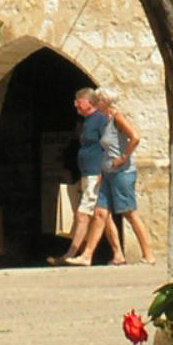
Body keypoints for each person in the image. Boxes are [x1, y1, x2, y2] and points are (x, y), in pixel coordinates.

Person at [59, 87, 117, 265]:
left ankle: (72, 253)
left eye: (79, 101)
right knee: (104, 217)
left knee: (83, 214)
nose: (76, 104)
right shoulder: (87, 121)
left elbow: (106, 146)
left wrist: (101, 171)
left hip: (95, 174)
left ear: (89, 102)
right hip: (88, 174)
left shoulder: (99, 120)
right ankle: (119, 254)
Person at [102, 117, 154, 264]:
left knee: (129, 213)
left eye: (98, 101)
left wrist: (123, 158)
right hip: (108, 173)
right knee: (103, 212)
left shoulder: (117, 118)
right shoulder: (105, 121)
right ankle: (118, 254)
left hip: (122, 173)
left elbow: (135, 137)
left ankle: (148, 254)